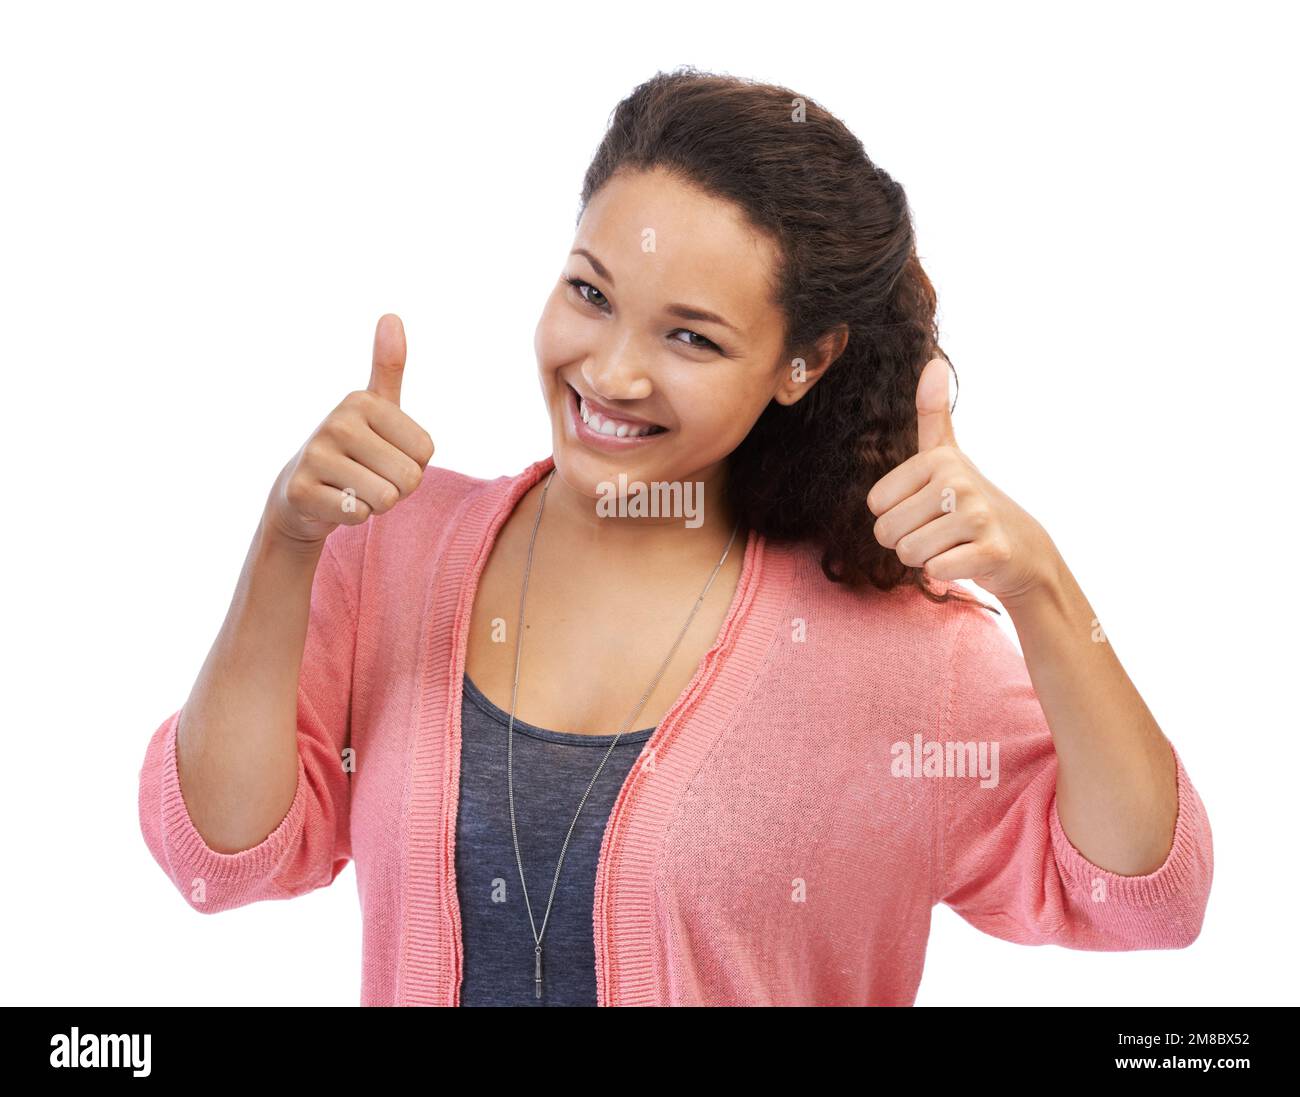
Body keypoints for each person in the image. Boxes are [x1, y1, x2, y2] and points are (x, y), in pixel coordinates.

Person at [137, 67, 1213, 1007]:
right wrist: (286, 538)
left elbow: (1143, 894)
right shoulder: (392, 549)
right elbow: (218, 858)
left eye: (690, 336)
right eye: (590, 293)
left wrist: (1039, 588)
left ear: (804, 362)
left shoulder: (898, 655)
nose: (610, 371)